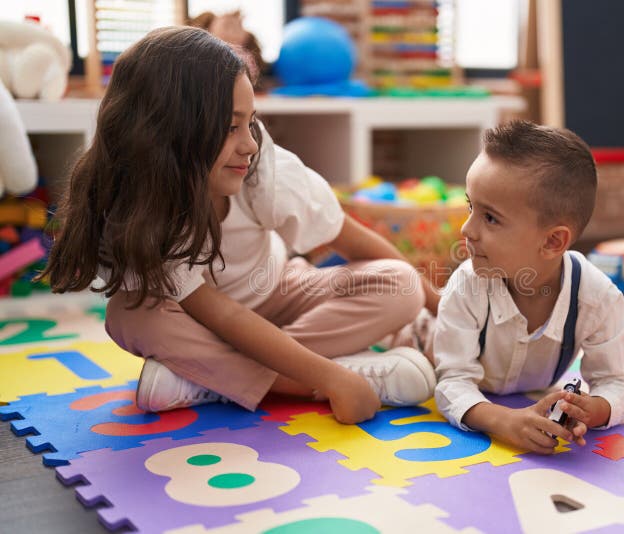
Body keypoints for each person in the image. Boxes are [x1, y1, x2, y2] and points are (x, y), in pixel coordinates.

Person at [40, 27, 440, 425]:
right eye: (231, 127)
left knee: (400, 283)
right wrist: (330, 378)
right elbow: (223, 317)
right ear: (168, 133)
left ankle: (208, 381)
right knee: (131, 314)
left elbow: (350, 238)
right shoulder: (140, 205)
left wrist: (440, 307)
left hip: (278, 289)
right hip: (197, 322)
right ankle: (299, 378)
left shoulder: (264, 167)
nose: (249, 143)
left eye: (250, 123)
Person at [433, 120, 624, 454]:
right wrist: (503, 421)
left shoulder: (597, 298)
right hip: (428, 342)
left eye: (491, 218)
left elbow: (616, 383)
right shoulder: (467, 285)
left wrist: (593, 409)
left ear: (553, 241)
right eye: (471, 207)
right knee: (409, 378)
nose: (467, 229)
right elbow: (452, 381)